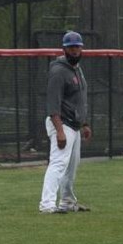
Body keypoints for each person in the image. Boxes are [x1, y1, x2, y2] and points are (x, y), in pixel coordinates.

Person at [39, 31, 91, 214]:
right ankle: (46, 204)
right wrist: (59, 131)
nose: (75, 50)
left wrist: (84, 123)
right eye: (71, 47)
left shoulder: (77, 68)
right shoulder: (58, 71)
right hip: (61, 123)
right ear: (64, 49)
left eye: (78, 46)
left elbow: (79, 98)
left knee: (71, 166)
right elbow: (53, 105)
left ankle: (67, 202)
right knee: (59, 163)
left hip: (74, 125)